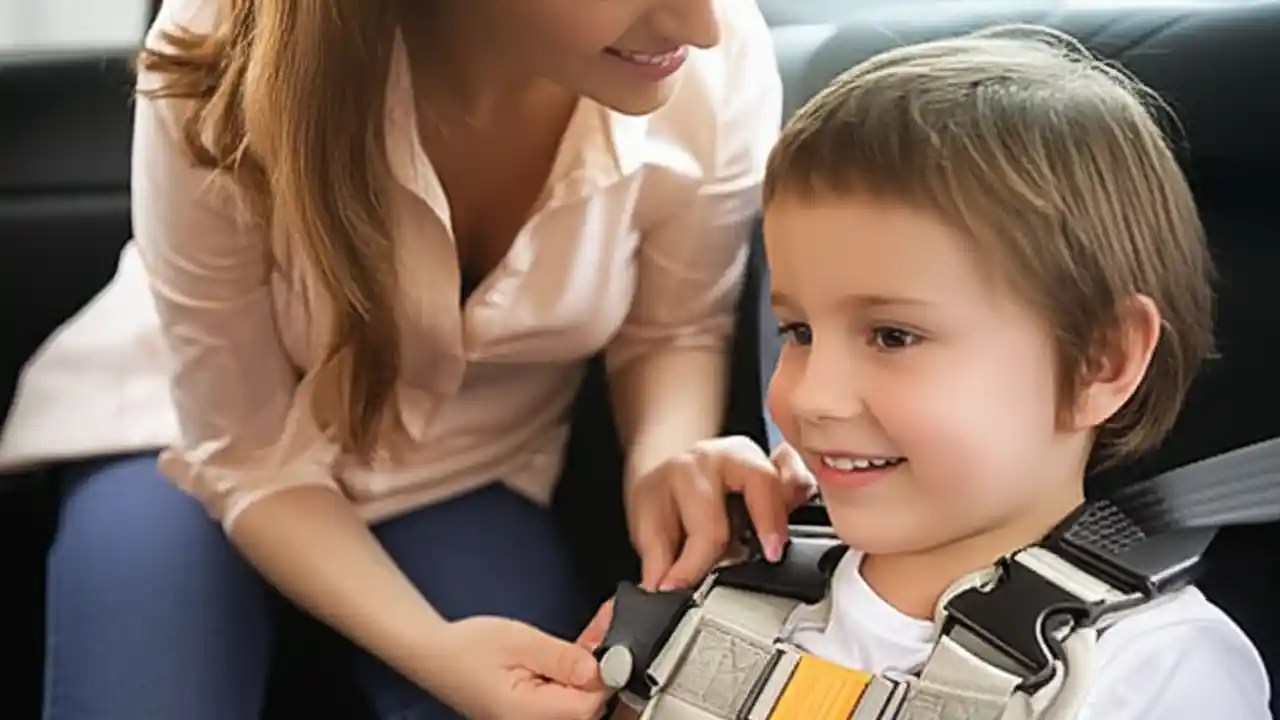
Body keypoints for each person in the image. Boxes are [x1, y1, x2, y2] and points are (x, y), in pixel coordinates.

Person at [0, 0, 816, 718]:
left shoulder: (717, 60)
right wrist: (435, 650)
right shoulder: (222, 48)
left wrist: (663, 461)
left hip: (464, 463)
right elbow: (245, 456)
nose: (703, 24)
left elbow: (672, 331)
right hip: (175, 427)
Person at [585, 25, 1272, 719]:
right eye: (798, 332)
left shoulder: (1151, 672)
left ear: (1102, 360)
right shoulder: (726, 593)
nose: (809, 397)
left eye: (893, 336)